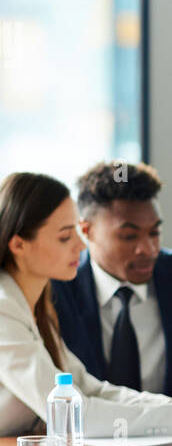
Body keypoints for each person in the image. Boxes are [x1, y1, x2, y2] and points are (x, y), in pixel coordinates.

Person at [0, 172, 172, 445]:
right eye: (64, 237)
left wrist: (167, 410)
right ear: (19, 244)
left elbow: (90, 388)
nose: (81, 246)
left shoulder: (32, 306)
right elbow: (71, 414)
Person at [53, 161, 172, 395]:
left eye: (155, 232)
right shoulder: (56, 290)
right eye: (129, 236)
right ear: (86, 231)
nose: (148, 249)